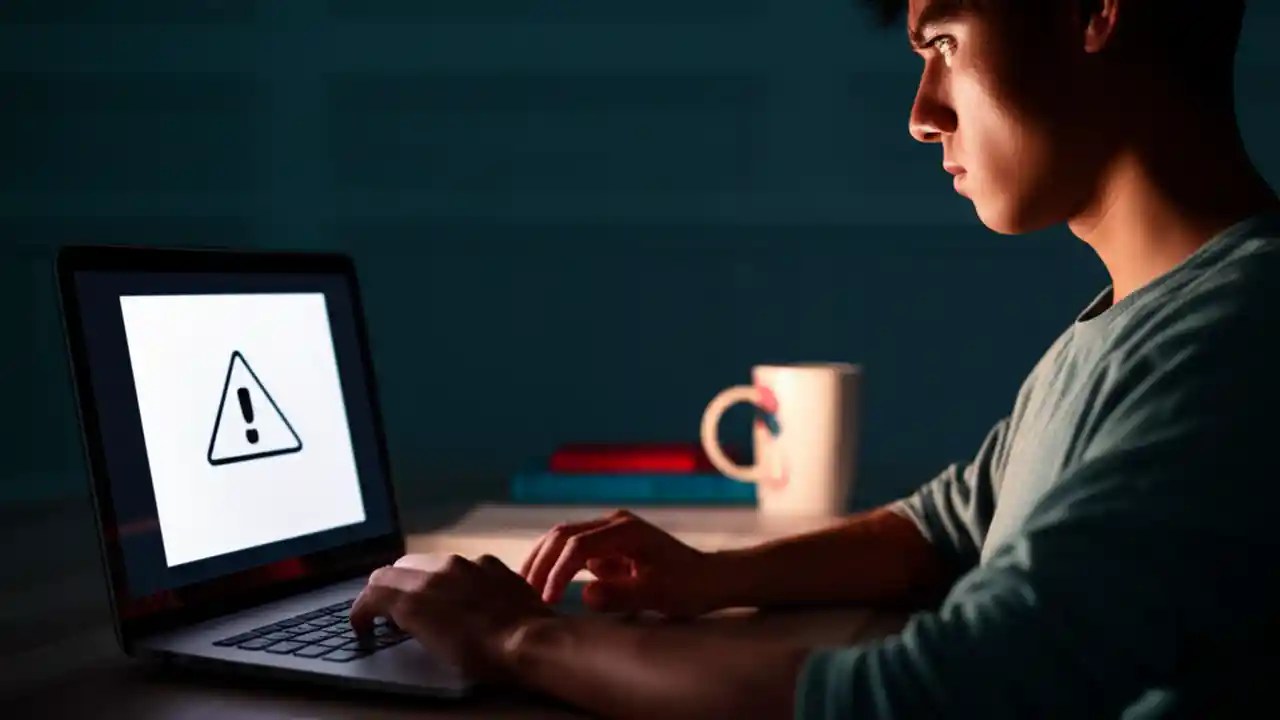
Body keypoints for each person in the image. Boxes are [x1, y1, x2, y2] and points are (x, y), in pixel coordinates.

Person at [350, 0, 1280, 716]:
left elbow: (938, 695)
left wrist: (519, 641)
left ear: (1093, 12)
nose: (922, 114)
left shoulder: (1240, 338)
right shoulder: (1134, 322)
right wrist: (713, 576)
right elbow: (946, 525)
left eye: (943, 42)